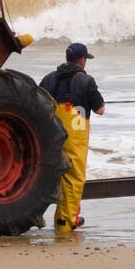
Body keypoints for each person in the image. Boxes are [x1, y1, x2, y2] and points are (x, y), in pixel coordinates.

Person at [39, 42, 104, 230]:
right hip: (75, 134)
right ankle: (66, 222)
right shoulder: (86, 81)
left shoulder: (48, 78)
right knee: (73, 176)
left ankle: (61, 217)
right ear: (82, 61)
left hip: (51, 132)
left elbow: (39, 101)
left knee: (54, 175)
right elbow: (100, 110)